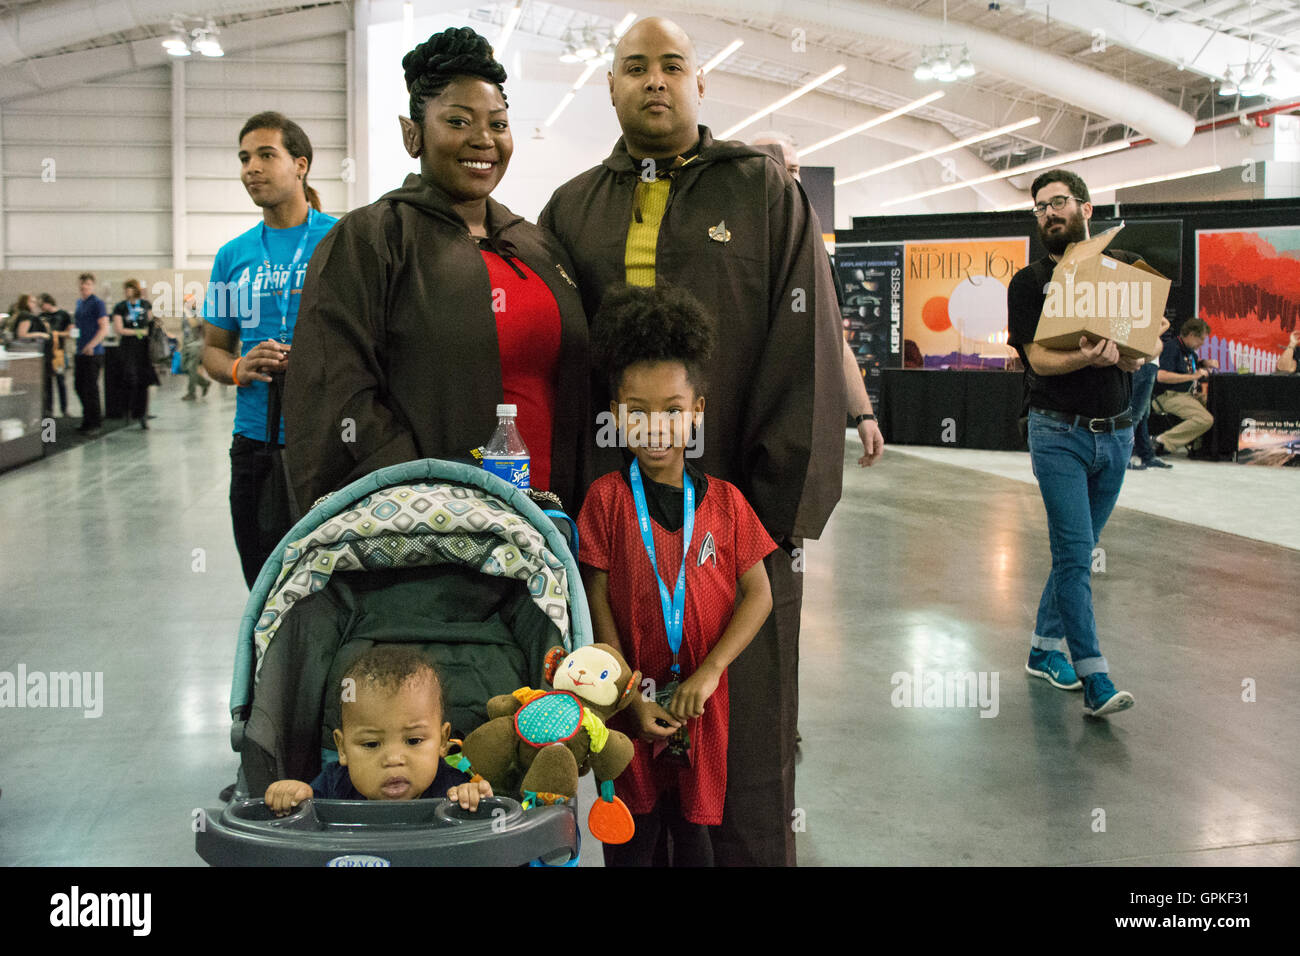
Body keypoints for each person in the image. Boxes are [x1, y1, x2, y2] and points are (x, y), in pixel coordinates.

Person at [539, 17, 845, 866]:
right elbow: (564, 368)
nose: (654, 81)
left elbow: (805, 352)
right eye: (634, 68)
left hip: (737, 526)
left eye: (672, 65)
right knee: (626, 747)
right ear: (611, 86)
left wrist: (778, 519)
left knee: (743, 749)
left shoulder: (762, 191)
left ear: (700, 82)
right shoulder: (573, 206)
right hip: (618, 528)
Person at [284, 26, 589, 513]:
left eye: (498, 123)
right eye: (459, 121)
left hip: (556, 517)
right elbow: (335, 392)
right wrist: (427, 498)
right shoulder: (371, 241)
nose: (483, 140)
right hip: (431, 527)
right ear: (413, 134)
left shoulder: (537, 245)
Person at [578, 285, 775, 867]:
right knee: (632, 841)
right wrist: (627, 693)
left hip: (701, 709)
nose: (656, 426)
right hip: (629, 709)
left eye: (672, 409)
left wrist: (710, 673)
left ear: (697, 412)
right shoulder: (606, 501)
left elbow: (759, 595)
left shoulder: (729, 504)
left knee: (695, 842)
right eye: (637, 411)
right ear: (615, 415)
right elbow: (598, 601)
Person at [1006, 169, 1144, 718]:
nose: (1048, 214)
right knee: (1074, 555)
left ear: (1086, 207)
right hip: (1055, 432)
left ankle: (1043, 649)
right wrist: (1085, 357)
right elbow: (1036, 357)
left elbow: (1141, 351)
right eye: (1039, 208)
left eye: (1058, 203)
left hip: (1116, 435)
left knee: (1077, 553)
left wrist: (1121, 354)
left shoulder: (1122, 270)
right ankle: (1096, 677)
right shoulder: (1028, 281)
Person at [201, 111, 338, 589]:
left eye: (265, 155)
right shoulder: (231, 256)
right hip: (257, 445)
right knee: (264, 584)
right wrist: (239, 367)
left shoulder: (341, 240)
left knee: (330, 583)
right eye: (244, 158)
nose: (251, 168)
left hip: (329, 444)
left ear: (301, 164)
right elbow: (213, 351)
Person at [751, 131, 885, 469]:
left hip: (794, 425)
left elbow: (833, 338)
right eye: (774, 167)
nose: (787, 177)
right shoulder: (726, 245)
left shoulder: (814, 253)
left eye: (794, 169)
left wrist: (864, 413)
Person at [263, 646, 492, 812]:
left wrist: (473, 802)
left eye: (413, 741)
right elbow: (306, 819)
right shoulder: (333, 785)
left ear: (442, 741)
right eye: (371, 744)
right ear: (342, 748)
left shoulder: (454, 788)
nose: (393, 759)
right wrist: (293, 795)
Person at [1151, 317, 1214, 456]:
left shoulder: (1188, 351)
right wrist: (1193, 376)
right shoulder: (1171, 348)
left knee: (1214, 404)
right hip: (1167, 396)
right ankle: (1163, 441)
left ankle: (1199, 448)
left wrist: (1204, 363)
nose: (1202, 343)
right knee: (1205, 419)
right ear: (1191, 335)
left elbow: (1187, 366)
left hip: (1184, 395)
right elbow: (1161, 376)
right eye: (1201, 339)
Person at [1127, 315, 1173, 471]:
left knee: (1142, 415)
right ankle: (1125, 456)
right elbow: (1166, 323)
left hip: (1149, 363)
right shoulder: (1140, 311)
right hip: (1145, 363)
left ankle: (1146, 455)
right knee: (1135, 414)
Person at [111, 279, 158, 430]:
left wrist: (150, 331)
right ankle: (127, 410)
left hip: (143, 348)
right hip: (127, 347)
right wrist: (138, 332)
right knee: (129, 378)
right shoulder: (120, 307)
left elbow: (151, 323)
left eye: (130, 288)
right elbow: (119, 329)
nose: (127, 291)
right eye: (126, 288)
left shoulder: (145, 305)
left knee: (143, 381)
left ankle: (142, 414)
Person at [72, 273, 109, 435]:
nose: (84, 286)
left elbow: (104, 328)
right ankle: (87, 418)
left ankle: (95, 423)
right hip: (80, 350)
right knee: (79, 386)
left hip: (93, 352)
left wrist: (92, 344)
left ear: (92, 285)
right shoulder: (79, 303)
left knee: (91, 388)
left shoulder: (98, 304)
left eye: (87, 284)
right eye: (82, 284)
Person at [12, 294, 54, 418]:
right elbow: (22, 334)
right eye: (32, 301)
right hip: (32, 360)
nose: (35, 303)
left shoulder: (23, 315)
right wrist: (41, 334)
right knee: (38, 390)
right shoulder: (26, 316)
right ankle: (42, 419)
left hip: (31, 358)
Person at [38, 294, 74, 418]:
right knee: (47, 382)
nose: (41, 307)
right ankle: (49, 409)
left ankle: (64, 409)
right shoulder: (41, 317)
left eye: (42, 304)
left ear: (48, 302)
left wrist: (56, 334)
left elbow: (70, 332)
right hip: (45, 353)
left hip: (58, 352)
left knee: (60, 380)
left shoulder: (63, 314)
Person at [179, 293, 211, 401]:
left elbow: (197, 326)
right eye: (186, 302)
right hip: (186, 344)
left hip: (196, 345)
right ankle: (205, 383)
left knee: (192, 368)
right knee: (184, 367)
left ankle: (191, 393)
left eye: (189, 301)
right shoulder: (184, 314)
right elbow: (184, 330)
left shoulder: (197, 313)